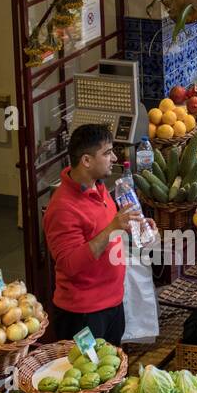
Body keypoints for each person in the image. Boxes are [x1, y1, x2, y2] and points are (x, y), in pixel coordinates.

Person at [43, 123, 142, 345]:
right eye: (107, 153)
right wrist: (112, 228)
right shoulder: (62, 208)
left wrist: (131, 226)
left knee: (112, 375)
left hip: (112, 304)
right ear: (86, 160)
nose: (114, 158)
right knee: (89, 377)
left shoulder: (99, 188)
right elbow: (69, 264)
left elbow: (108, 232)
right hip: (83, 315)